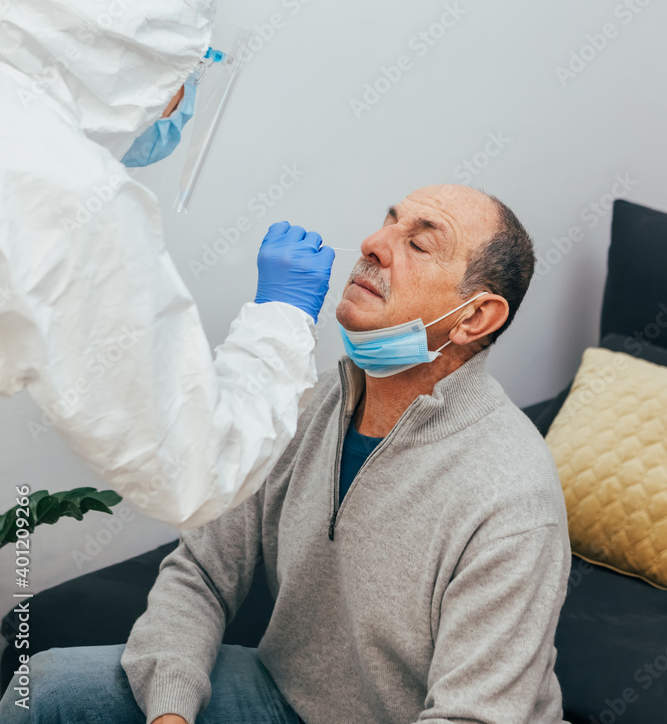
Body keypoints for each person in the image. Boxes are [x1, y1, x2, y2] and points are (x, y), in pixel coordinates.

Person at [9, 184, 573, 724]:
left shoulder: (511, 496)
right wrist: (171, 706)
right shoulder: (313, 405)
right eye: (388, 222)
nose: (375, 245)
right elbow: (202, 572)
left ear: (475, 317)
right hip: (284, 696)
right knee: (48, 692)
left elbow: (470, 718)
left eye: (419, 243)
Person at [0, 0, 334, 530]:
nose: (181, 100)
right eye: (190, 71)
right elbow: (195, 470)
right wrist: (283, 319)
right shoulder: (67, 190)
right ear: (139, 61)